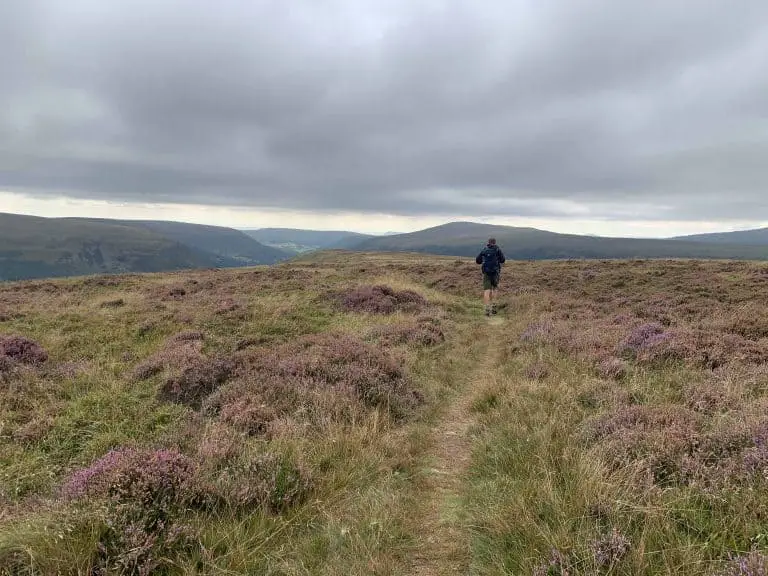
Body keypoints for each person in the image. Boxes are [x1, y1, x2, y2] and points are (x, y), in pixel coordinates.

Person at [475, 238, 505, 316]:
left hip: (486, 273)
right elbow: (503, 260)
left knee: (486, 291)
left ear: (488, 242)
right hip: (495, 273)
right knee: (495, 289)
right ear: (495, 242)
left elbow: (478, 261)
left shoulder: (484, 250)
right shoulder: (498, 249)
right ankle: (494, 308)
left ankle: (487, 309)